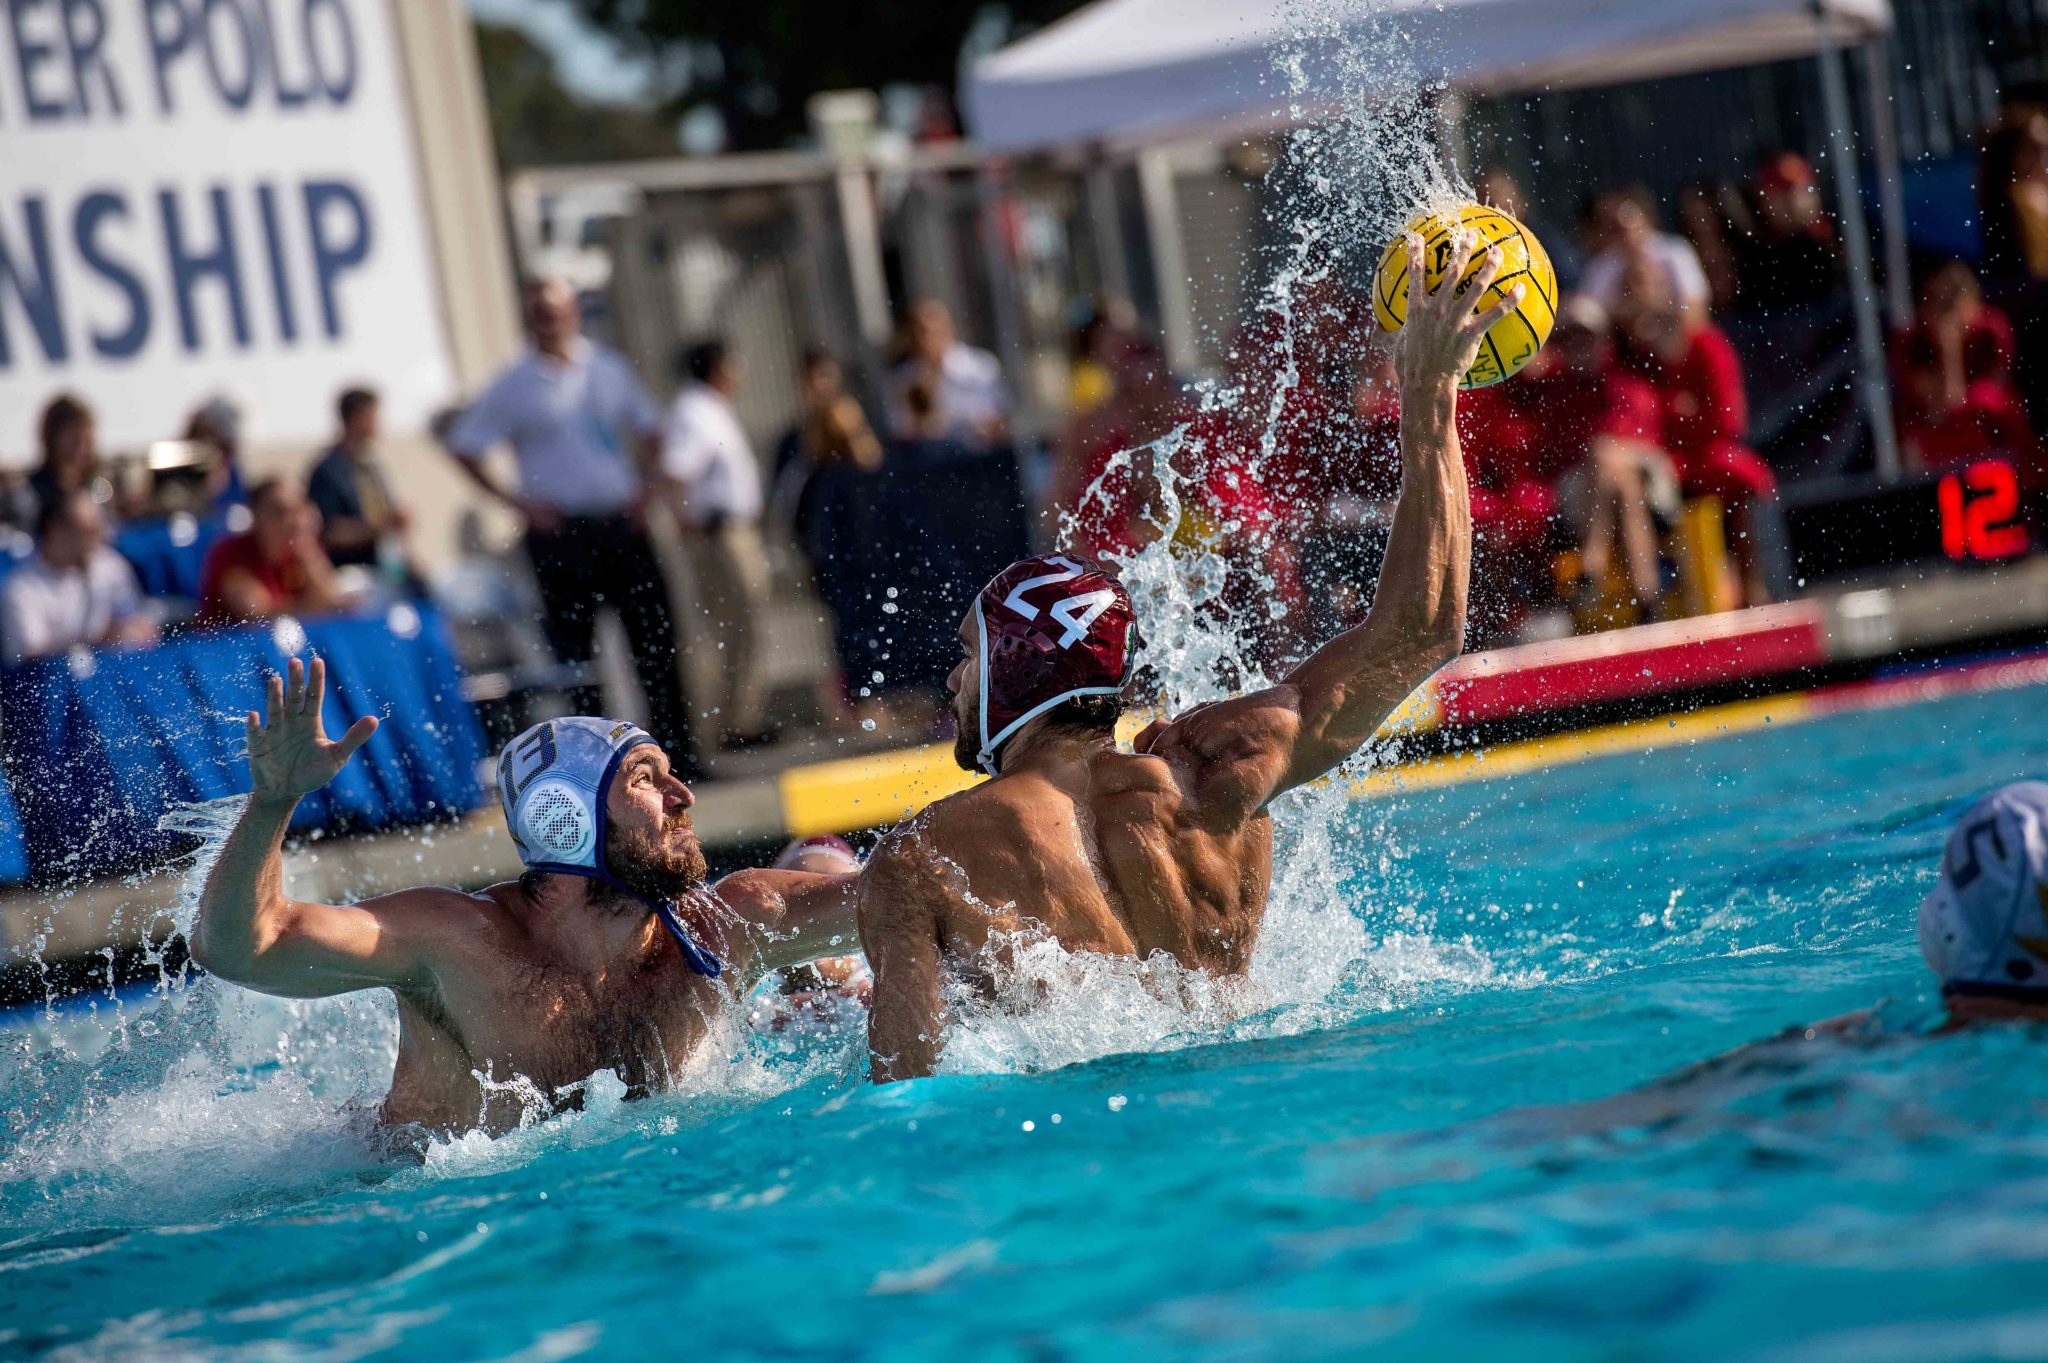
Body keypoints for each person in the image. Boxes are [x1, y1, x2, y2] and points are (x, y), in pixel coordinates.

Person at [855, 233, 1524, 1081]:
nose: (952, 680)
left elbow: (904, 1106)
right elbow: (1426, 627)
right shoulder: (1218, 767)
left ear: (1022, 667)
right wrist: (1432, 390)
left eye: (968, 656)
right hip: (1265, 1091)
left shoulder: (924, 861)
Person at [190, 662, 863, 1137]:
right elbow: (241, 947)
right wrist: (272, 802)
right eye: (647, 777)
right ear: (562, 817)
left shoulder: (720, 926)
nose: (683, 796)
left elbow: (906, 887)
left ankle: (822, 961)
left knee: (837, 972)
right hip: (435, 1203)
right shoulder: (456, 942)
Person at [444, 279, 697, 776]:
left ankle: (680, 754)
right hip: (562, 535)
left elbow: (652, 430)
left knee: (655, 643)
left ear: (574, 314)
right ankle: (601, 771)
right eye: (539, 312)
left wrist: (648, 491)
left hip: (620, 524)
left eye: (557, 311)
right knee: (579, 660)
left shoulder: (606, 369)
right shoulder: (515, 383)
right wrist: (515, 503)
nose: (550, 321)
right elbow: (465, 444)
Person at [1618, 253, 1780, 605]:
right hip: (1655, 463)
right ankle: (1650, 600)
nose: (1639, 296)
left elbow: (1727, 421)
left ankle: (1753, 583)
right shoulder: (1626, 356)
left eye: (1646, 285)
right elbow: (1632, 427)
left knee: (1739, 471)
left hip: (1694, 458)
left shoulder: (1707, 345)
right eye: (1630, 289)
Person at [662, 339, 774, 749]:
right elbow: (677, 471)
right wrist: (683, 520)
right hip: (719, 536)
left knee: (742, 626)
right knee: (732, 626)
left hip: (731, 531)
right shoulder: (696, 412)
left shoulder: (709, 408)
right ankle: (730, 723)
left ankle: (740, 718)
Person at [1892, 260, 2043, 476]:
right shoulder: (1910, 342)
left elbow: (1993, 396)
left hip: (1979, 426)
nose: (1946, 315)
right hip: (1934, 432)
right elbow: (1944, 405)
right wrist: (1948, 350)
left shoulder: (1990, 330)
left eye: (1952, 304)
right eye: (1938, 304)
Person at [1, 490, 157, 663]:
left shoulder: (109, 565)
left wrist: (133, 631)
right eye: (89, 531)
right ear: (56, 532)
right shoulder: (21, 588)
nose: (101, 538)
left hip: (109, 680)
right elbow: (33, 663)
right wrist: (103, 640)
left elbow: (138, 623)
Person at [196, 478, 348, 626]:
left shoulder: (303, 549)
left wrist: (308, 551)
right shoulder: (228, 554)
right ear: (256, 516)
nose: (293, 521)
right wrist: (316, 607)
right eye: (280, 512)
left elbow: (331, 600)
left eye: (298, 510)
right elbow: (259, 616)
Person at [307, 388, 410, 574]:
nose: (379, 423)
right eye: (373, 416)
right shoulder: (328, 472)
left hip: (385, 568)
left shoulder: (372, 467)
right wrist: (380, 526)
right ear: (357, 418)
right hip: (349, 574)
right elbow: (328, 532)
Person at [885, 300, 1010, 451]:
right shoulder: (901, 381)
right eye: (914, 334)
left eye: (926, 332)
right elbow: (902, 433)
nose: (922, 341)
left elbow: (998, 419)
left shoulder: (979, 367)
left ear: (947, 330)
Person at [1577, 186, 1711, 316]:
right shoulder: (1602, 265)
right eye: (1616, 226)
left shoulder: (1677, 251)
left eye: (1630, 220)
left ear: (1647, 218)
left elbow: (1695, 308)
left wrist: (1660, 311)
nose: (1626, 231)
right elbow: (1590, 314)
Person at [1735, 152, 1842, 312]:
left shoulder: (1839, 239)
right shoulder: (1757, 257)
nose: (1794, 199)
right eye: (1782, 191)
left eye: (1803, 188)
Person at [28, 394, 115, 527]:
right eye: (74, 442)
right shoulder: (31, 496)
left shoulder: (98, 490)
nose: (81, 450)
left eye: (86, 442)